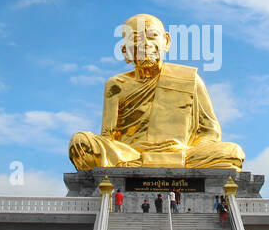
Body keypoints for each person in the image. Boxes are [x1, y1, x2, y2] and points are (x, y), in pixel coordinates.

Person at [68, 13, 245, 170]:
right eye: (136, 39)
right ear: (125, 50)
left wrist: (183, 149)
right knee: (80, 143)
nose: (145, 44)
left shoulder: (189, 79)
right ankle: (150, 161)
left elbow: (210, 132)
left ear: (166, 42)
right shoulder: (116, 85)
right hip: (132, 153)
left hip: (180, 153)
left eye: (152, 36)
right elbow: (108, 138)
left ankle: (151, 162)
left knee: (232, 152)